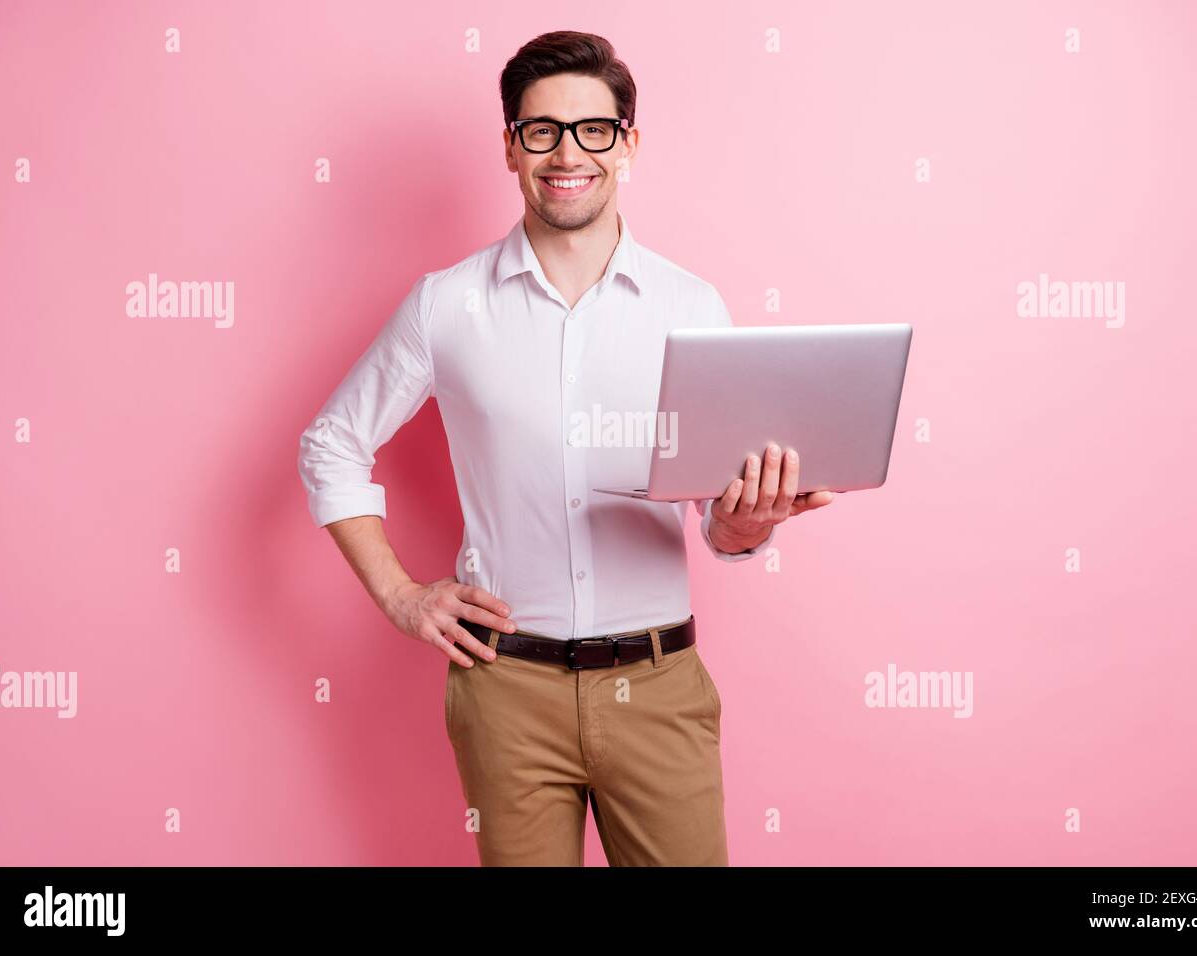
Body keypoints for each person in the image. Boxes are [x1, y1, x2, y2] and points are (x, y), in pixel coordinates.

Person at [297, 30, 834, 866]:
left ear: (628, 145)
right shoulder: (446, 307)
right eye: (541, 130)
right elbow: (332, 444)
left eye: (593, 129)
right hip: (505, 691)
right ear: (510, 147)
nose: (567, 153)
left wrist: (745, 524)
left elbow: (714, 516)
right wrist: (402, 597)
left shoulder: (690, 307)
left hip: (659, 687)